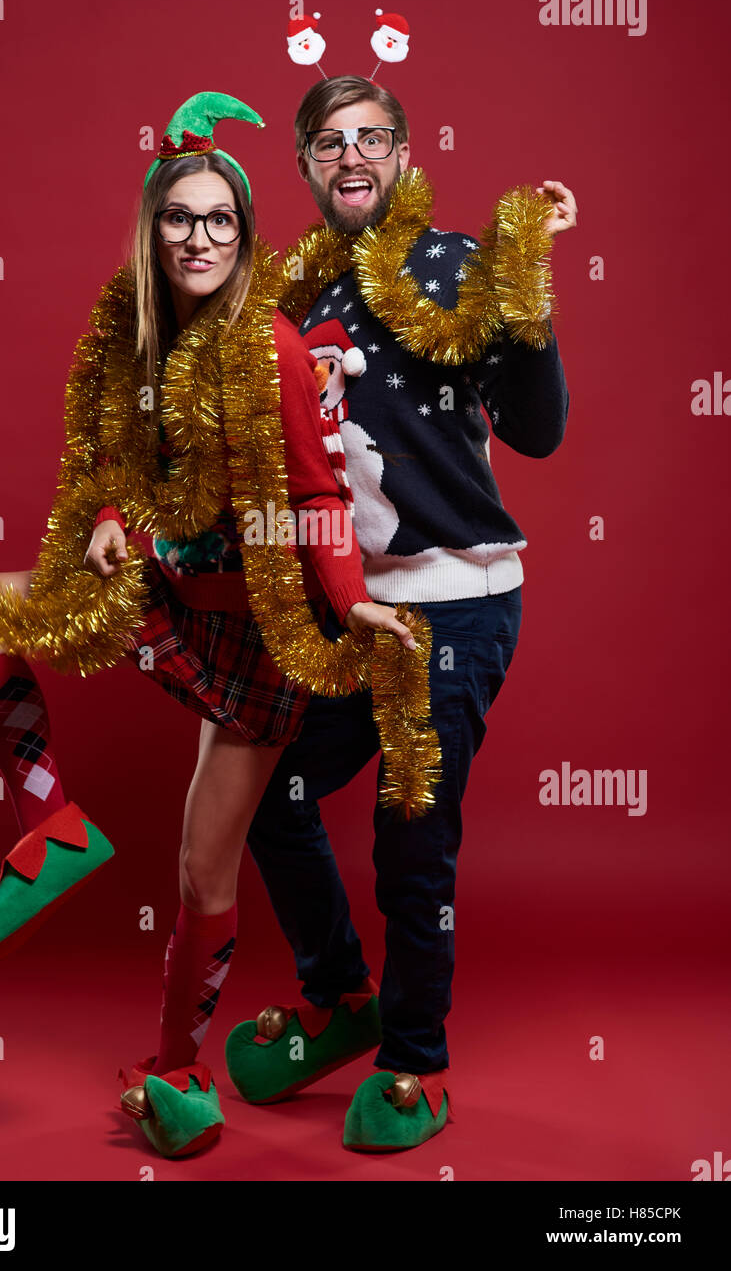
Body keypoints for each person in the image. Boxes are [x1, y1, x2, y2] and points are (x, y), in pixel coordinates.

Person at [0, 91, 424, 1159]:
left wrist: (350, 606)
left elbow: (317, 498)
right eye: (179, 217)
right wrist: (112, 520)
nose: (198, 237)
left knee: (204, 872)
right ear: (151, 227)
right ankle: (49, 821)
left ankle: (178, 1067)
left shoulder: (275, 352)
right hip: (159, 605)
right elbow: (118, 467)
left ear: (244, 236)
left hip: (257, 643)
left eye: (220, 219)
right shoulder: (135, 342)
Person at [225, 75, 577, 1152]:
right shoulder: (297, 302)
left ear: (406, 152)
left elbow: (540, 431)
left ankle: (418, 1059)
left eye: (371, 137)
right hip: (355, 611)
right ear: (305, 165)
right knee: (276, 791)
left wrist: (532, 295)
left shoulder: (459, 266)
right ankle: (344, 998)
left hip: (458, 602)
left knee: (411, 841)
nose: (350, 156)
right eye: (328, 142)